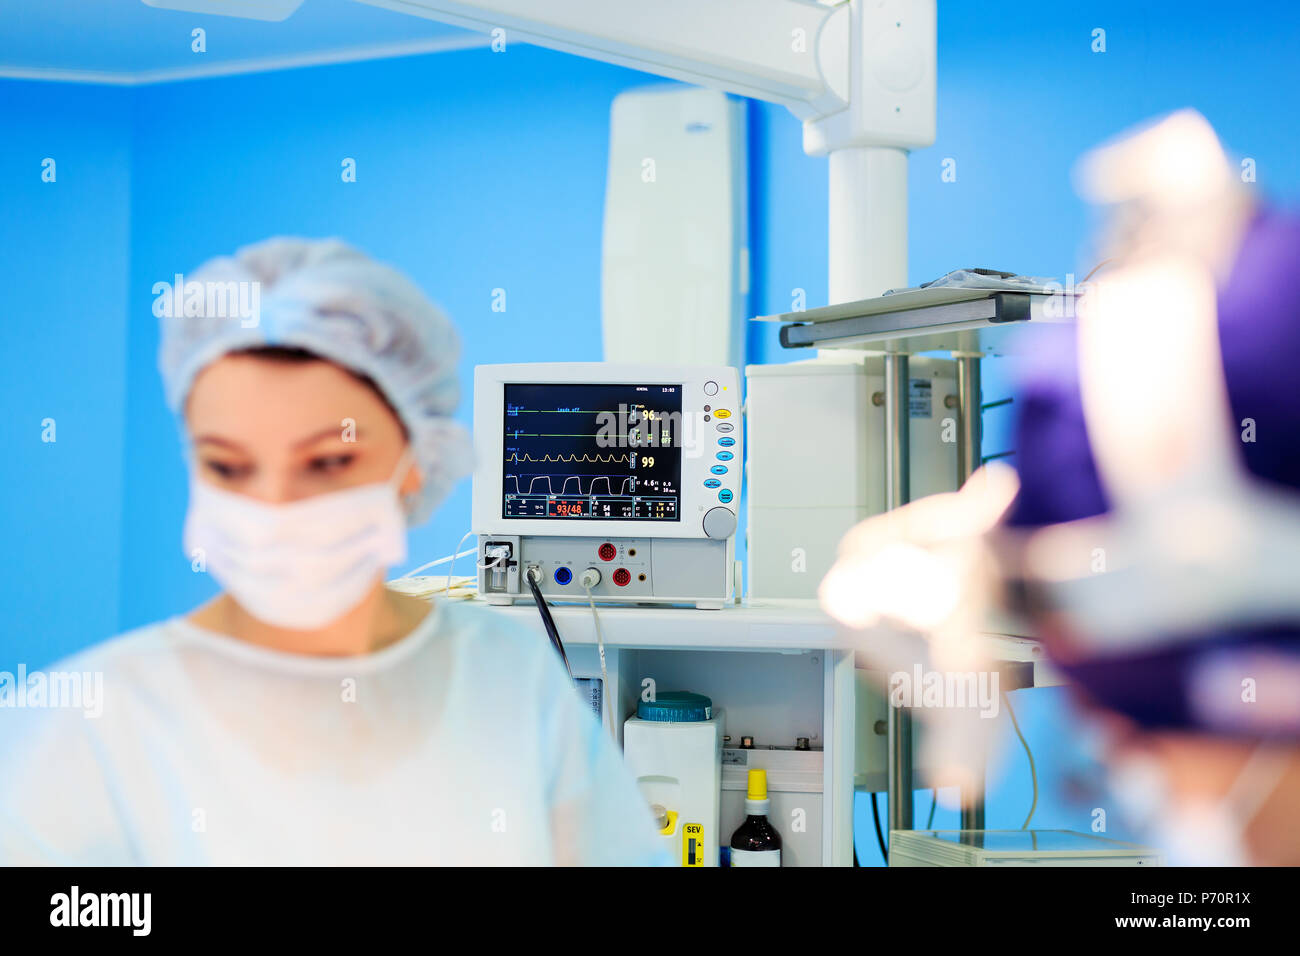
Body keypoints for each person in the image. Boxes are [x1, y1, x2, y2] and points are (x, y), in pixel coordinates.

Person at [0, 238, 669, 866]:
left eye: (327, 462)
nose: (275, 506)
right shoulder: (85, 724)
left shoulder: (511, 681)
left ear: (420, 457)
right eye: (228, 467)